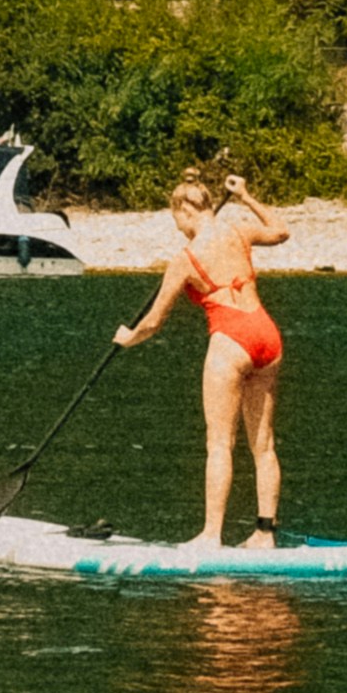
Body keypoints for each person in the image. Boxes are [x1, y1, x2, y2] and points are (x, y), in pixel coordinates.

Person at [118, 160, 288, 550]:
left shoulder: (185, 259)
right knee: (263, 445)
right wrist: (246, 196)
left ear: (185, 211)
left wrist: (127, 338)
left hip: (231, 339)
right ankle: (265, 534)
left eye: (176, 219)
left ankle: (211, 535)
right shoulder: (237, 228)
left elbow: (153, 322)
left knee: (219, 444)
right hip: (267, 333)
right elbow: (281, 230)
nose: (178, 227)